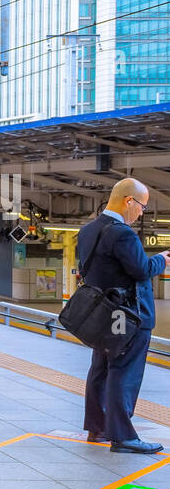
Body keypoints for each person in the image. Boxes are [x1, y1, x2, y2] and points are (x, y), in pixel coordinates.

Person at [77, 177, 170, 454]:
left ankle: (98, 428)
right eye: (141, 206)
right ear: (128, 201)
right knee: (124, 372)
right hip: (129, 316)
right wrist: (160, 260)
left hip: (102, 314)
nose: (141, 212)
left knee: (101, 369)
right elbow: (140, 270)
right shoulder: (122, 233)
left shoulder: (87, 230)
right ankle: (123, 436)